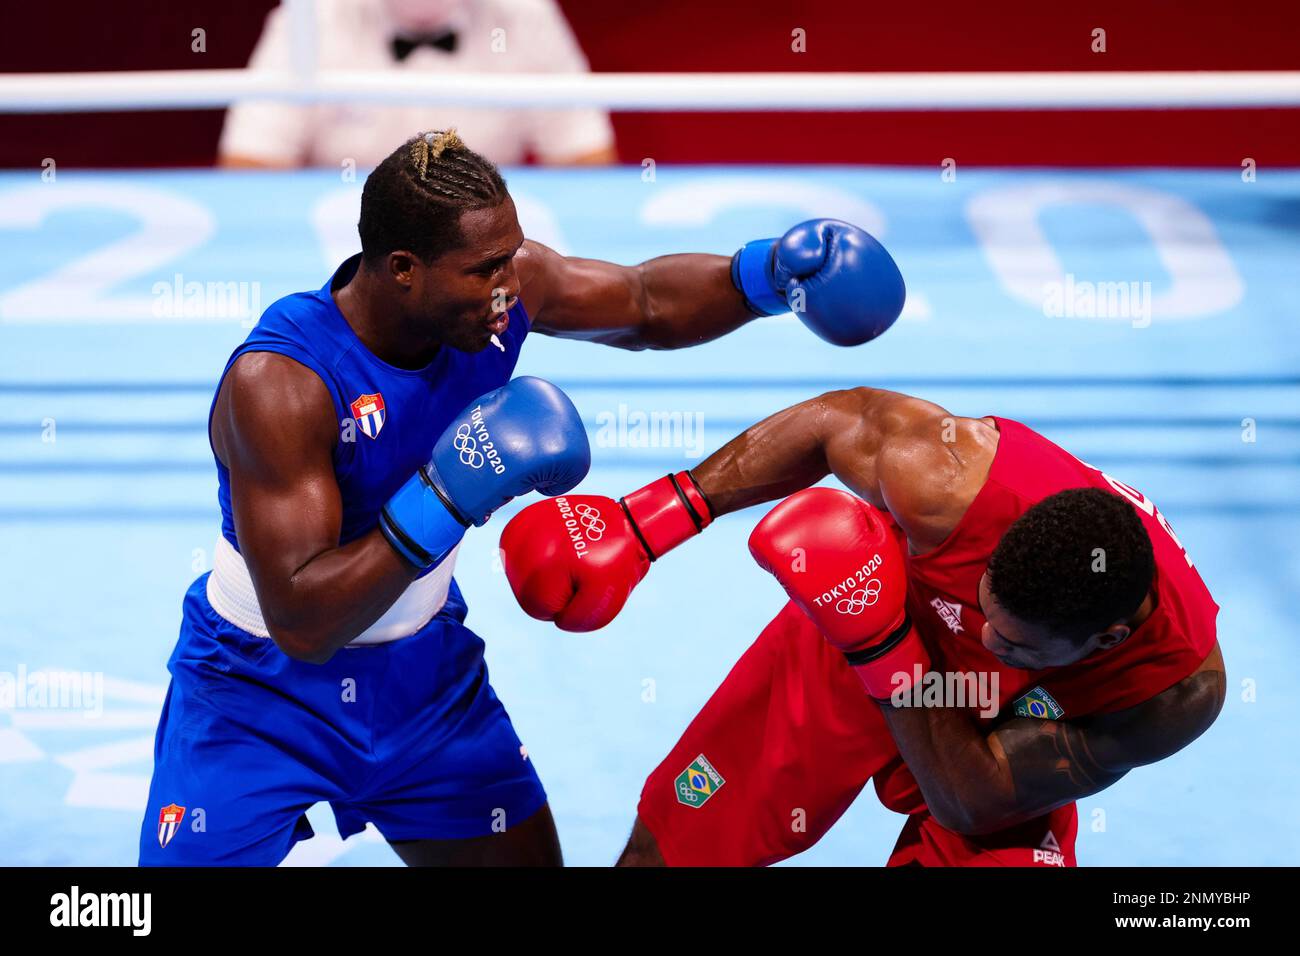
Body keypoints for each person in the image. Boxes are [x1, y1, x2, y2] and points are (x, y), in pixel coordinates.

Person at [138, 129, 906, 866]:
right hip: (257, 693)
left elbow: (642, 303)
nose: (511, 287)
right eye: (485, 270)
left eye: (511, 256)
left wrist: (763, 277)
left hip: (424, 686)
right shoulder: (280, 385)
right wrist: (448, 494)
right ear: (403, 268)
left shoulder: (505, 287)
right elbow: (304, 624)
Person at [501, 387, 1226, 866]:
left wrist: (885, 651)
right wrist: (649, 521)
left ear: (1104, 642)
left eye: (1014, 642)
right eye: (986, 601)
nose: (990, 633)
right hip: (864, 607)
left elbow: (973, 800)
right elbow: (832, 423)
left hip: (987, 722)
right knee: (681, 845)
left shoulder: (1171, 691)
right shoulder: (949, 478)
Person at [219, 0, 616, 168]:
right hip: (347, 260)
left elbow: (586, 159)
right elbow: (251, 166)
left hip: (488, 258)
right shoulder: (307, 19)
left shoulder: (526, 15)